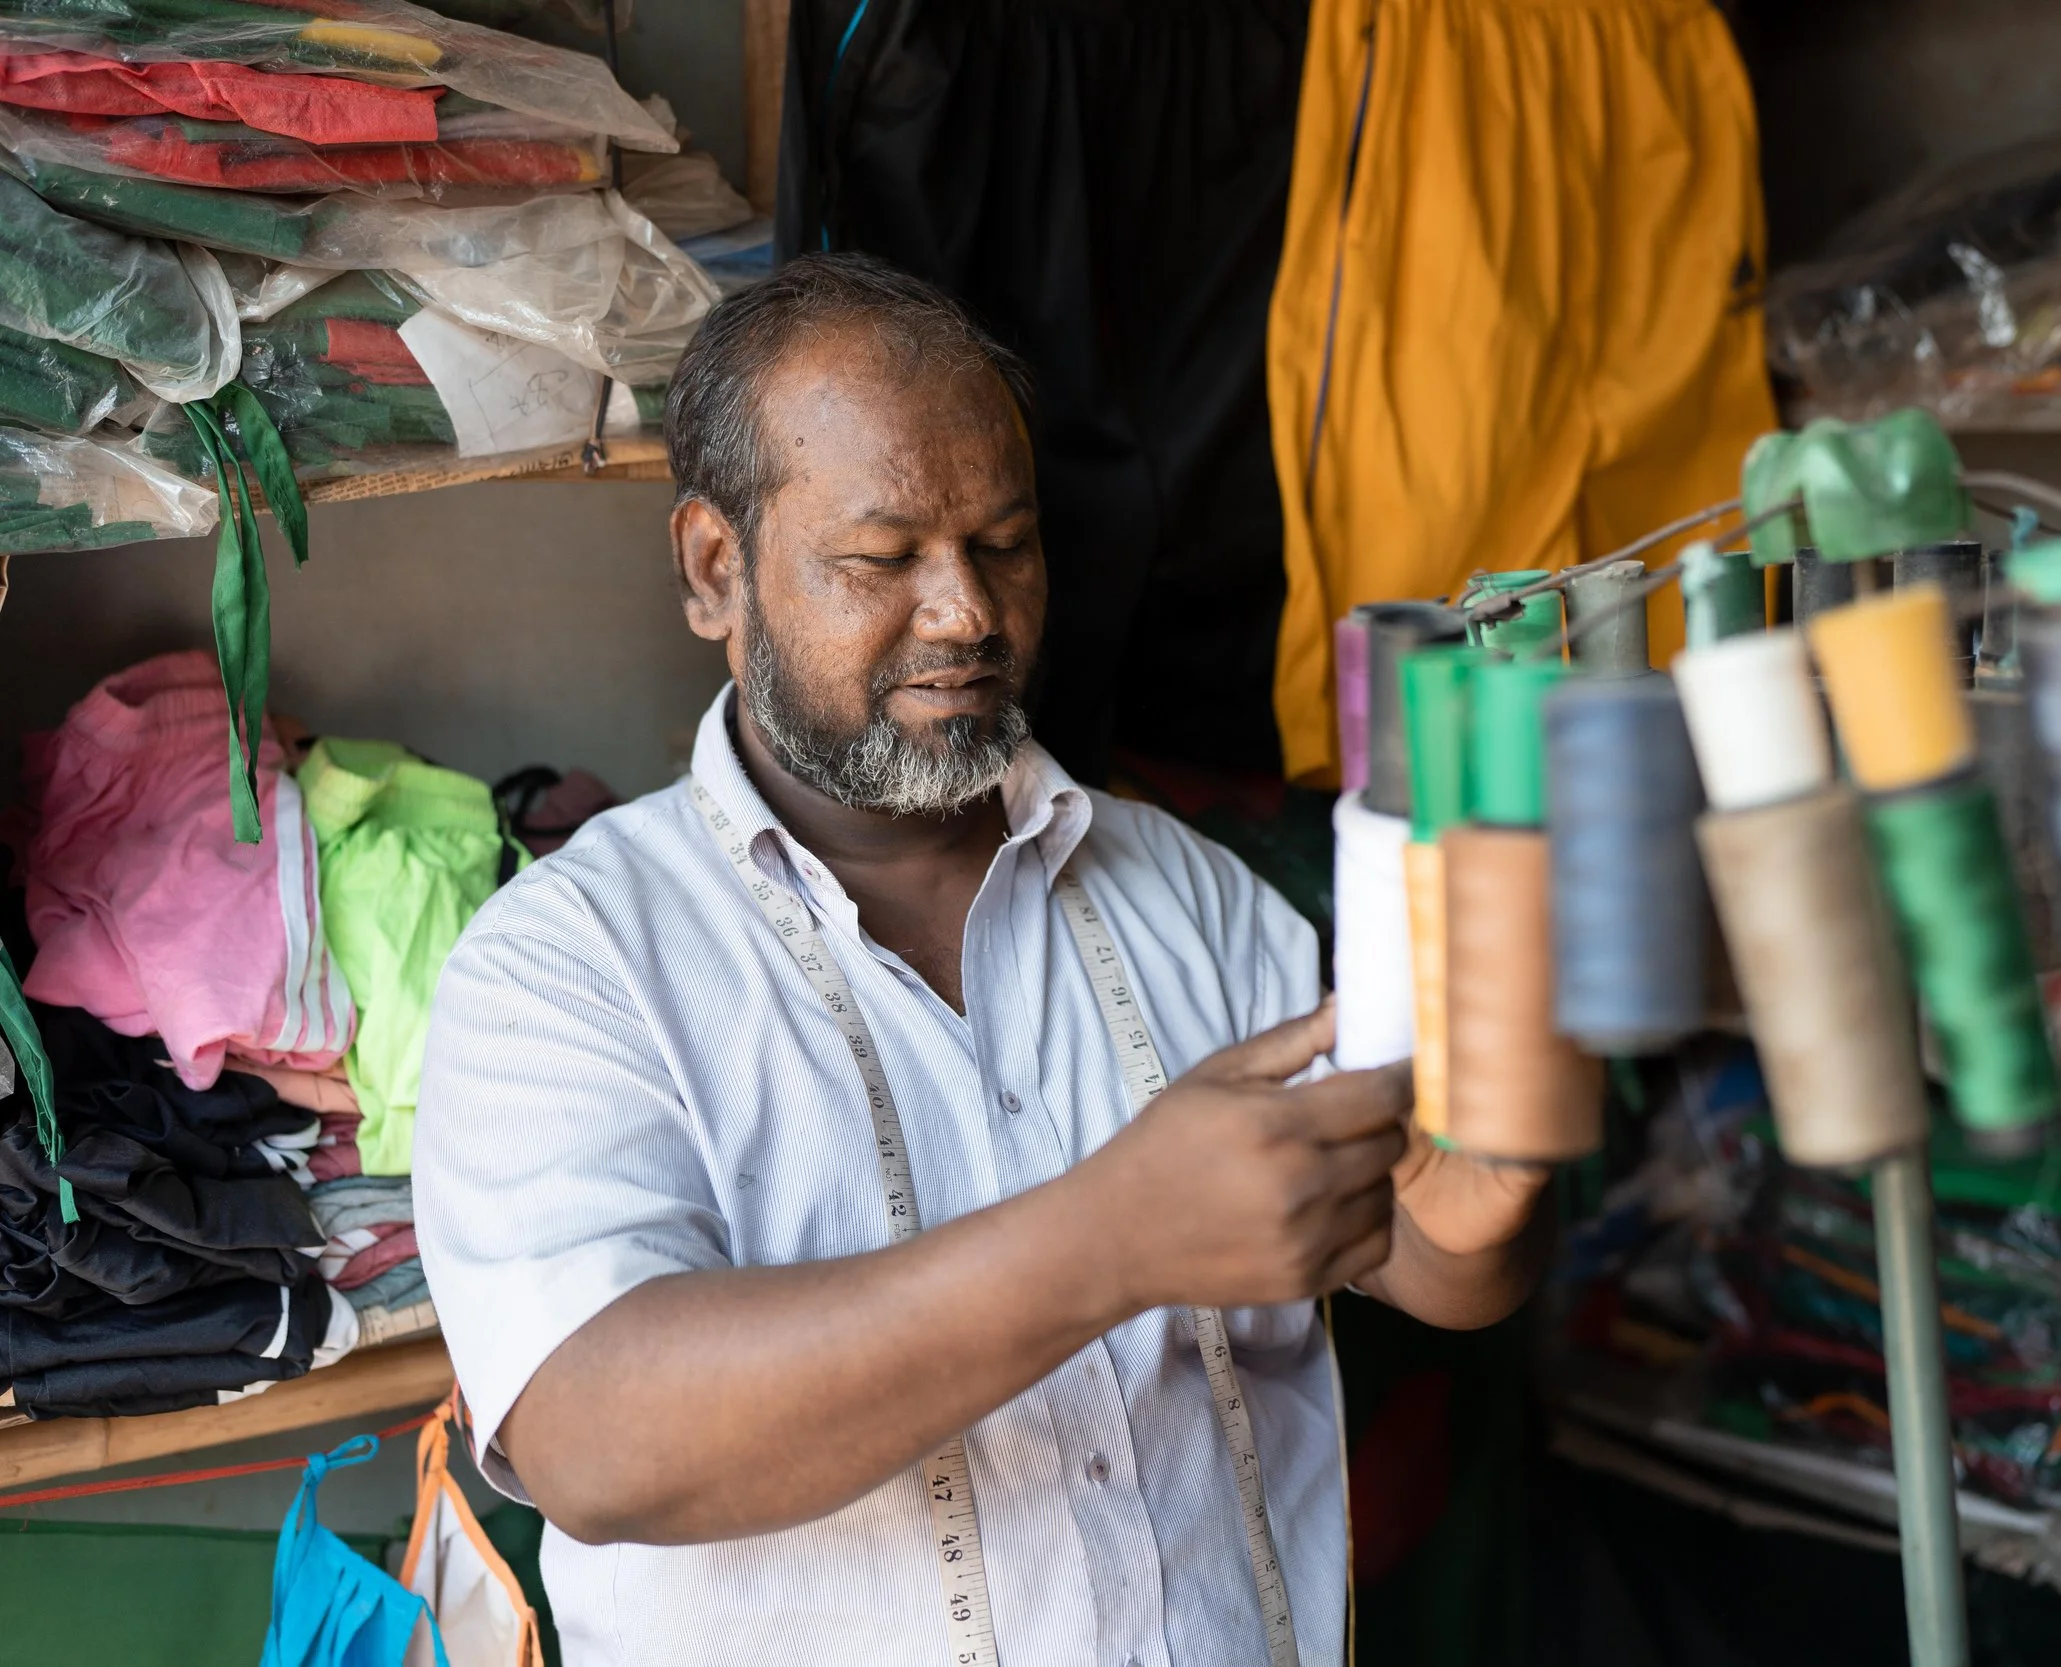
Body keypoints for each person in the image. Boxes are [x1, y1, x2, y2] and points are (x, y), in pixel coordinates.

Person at [413, 252, 1554, 1666]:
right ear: (718, 570)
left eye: (1005, 544)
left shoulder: (1192, 897)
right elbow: (597, 1439)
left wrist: (1480, 1203)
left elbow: (1425, 1258)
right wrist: (1108, 1239)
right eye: (883, 559)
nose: (965, 612)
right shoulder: (564, 966)